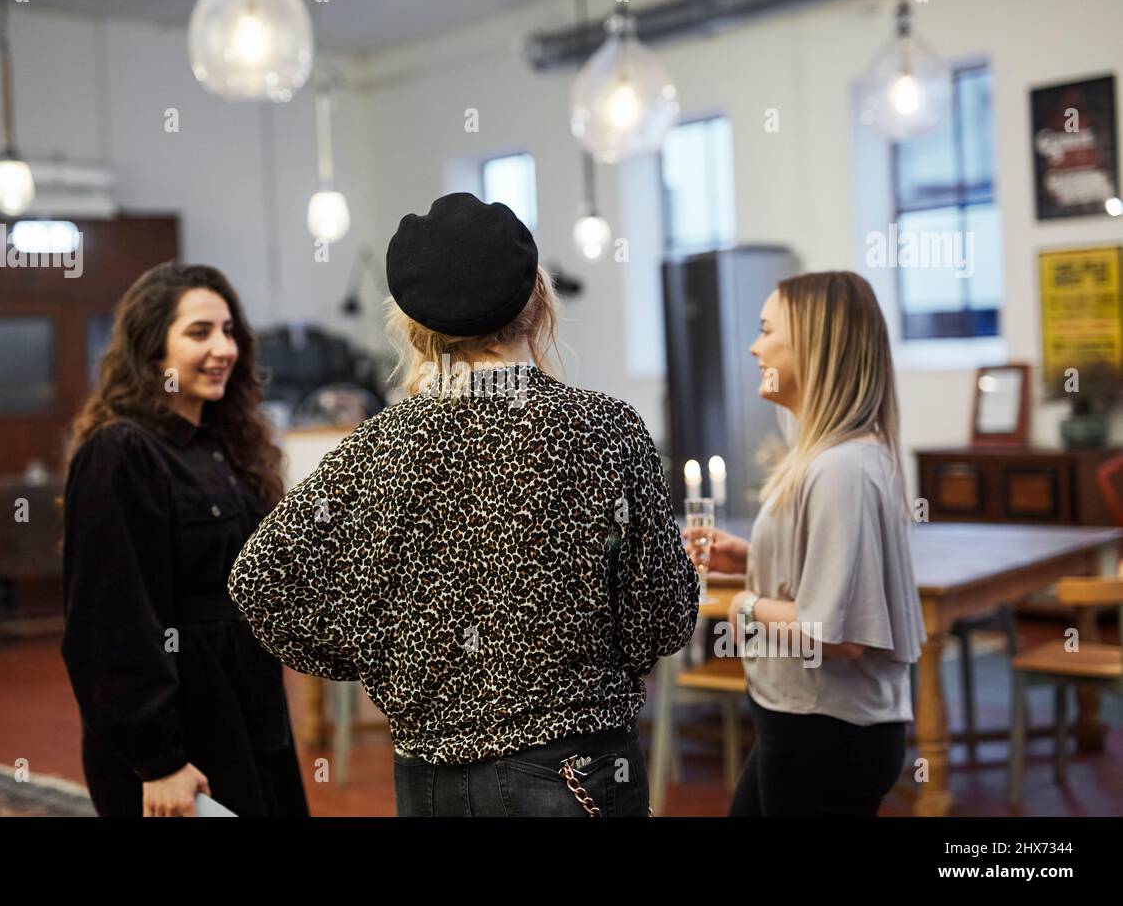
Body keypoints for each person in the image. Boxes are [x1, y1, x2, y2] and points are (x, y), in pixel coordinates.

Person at [229, 192, 698, 817]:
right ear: (538, 299)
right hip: (576, 766)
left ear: (417, 325)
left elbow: (261, 579)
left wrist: (382, 658)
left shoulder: (377, 448)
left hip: (430, 778)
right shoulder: (604, 431)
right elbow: (663, 620)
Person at [60, 262, 308, 818]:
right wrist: (158, 759)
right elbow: (109, 624)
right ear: (152, 348)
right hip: (180, 729)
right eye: (199, 332)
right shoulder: (119, 452)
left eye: (228, 332)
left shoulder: (228, 447)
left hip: (249, 709)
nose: (222, 348)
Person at [701, 270, 925, 816]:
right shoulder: (840, 457)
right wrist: (754, 557)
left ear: (813, 345)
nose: (755, 347)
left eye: (766, 330)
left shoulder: (839, 468)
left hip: (826, 731)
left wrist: (745, 606)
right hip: (805, 722)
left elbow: (834, 632)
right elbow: (843, 579)